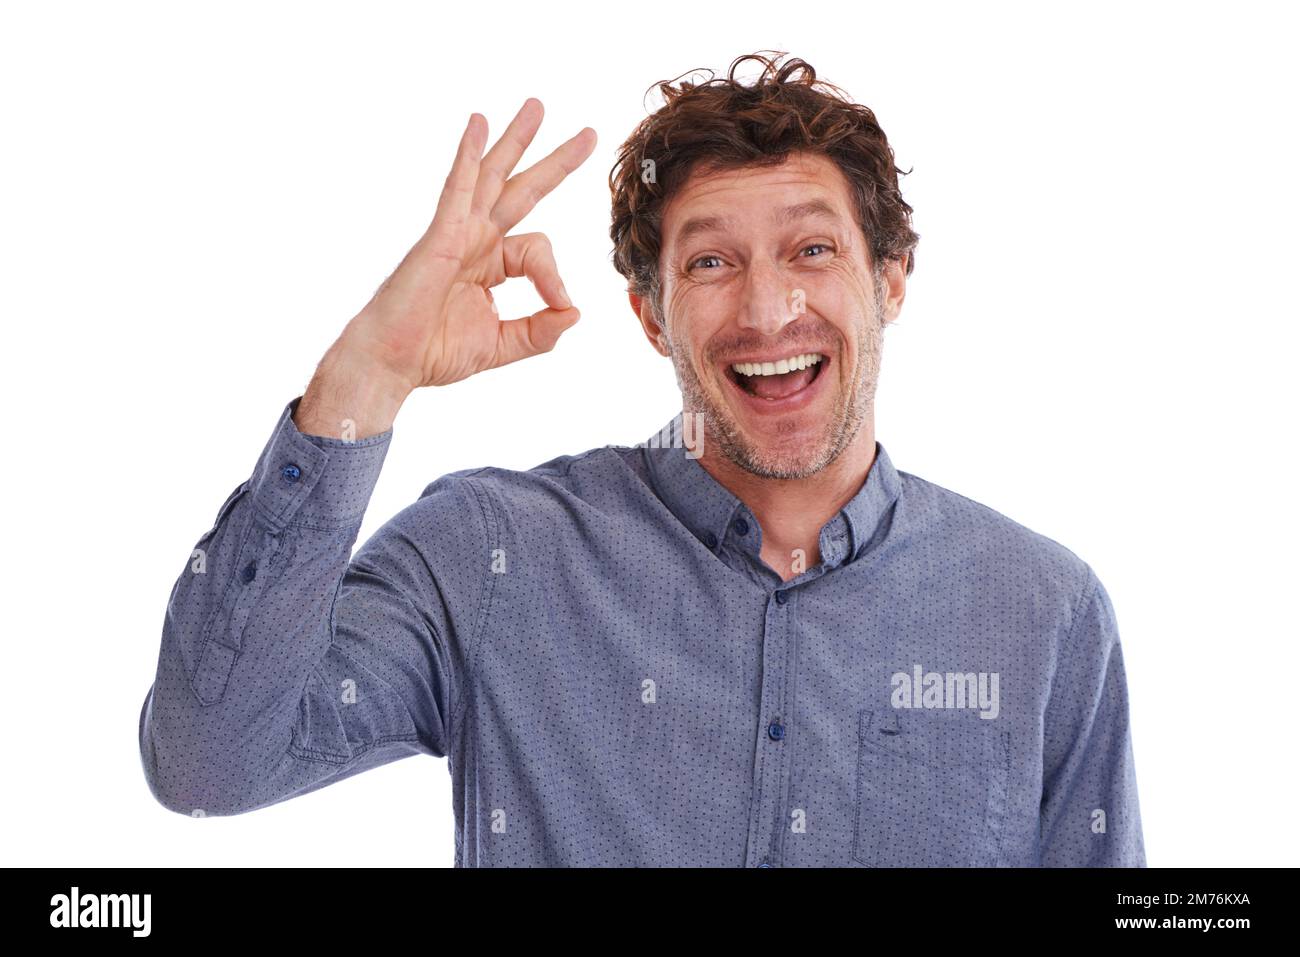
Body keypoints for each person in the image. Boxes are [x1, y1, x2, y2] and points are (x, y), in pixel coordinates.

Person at [138, 52, 1145, 867]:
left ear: (890, 282)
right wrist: (364, 379)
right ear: (650, 317)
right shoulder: (496, 557)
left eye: (811, 251)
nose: (765, 310)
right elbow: (207, 760)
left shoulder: (1043, 613)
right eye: (710, 262)